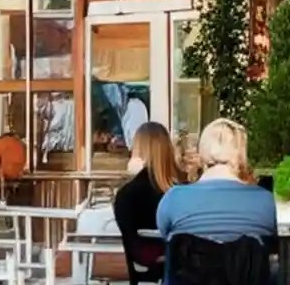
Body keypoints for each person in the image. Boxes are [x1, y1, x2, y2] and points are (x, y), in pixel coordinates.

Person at [156, 118, 276, 243]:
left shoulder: (174, 198)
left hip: (193, 261)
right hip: (245, 261)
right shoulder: (264, 200)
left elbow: (164, 238)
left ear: (202, 151)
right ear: (241, 154)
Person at [113, 122, 181, 277]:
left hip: (144, 261)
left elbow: (129, 235)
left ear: (139, 151)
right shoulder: (182, 191)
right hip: (181, 262)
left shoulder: (127, 194)